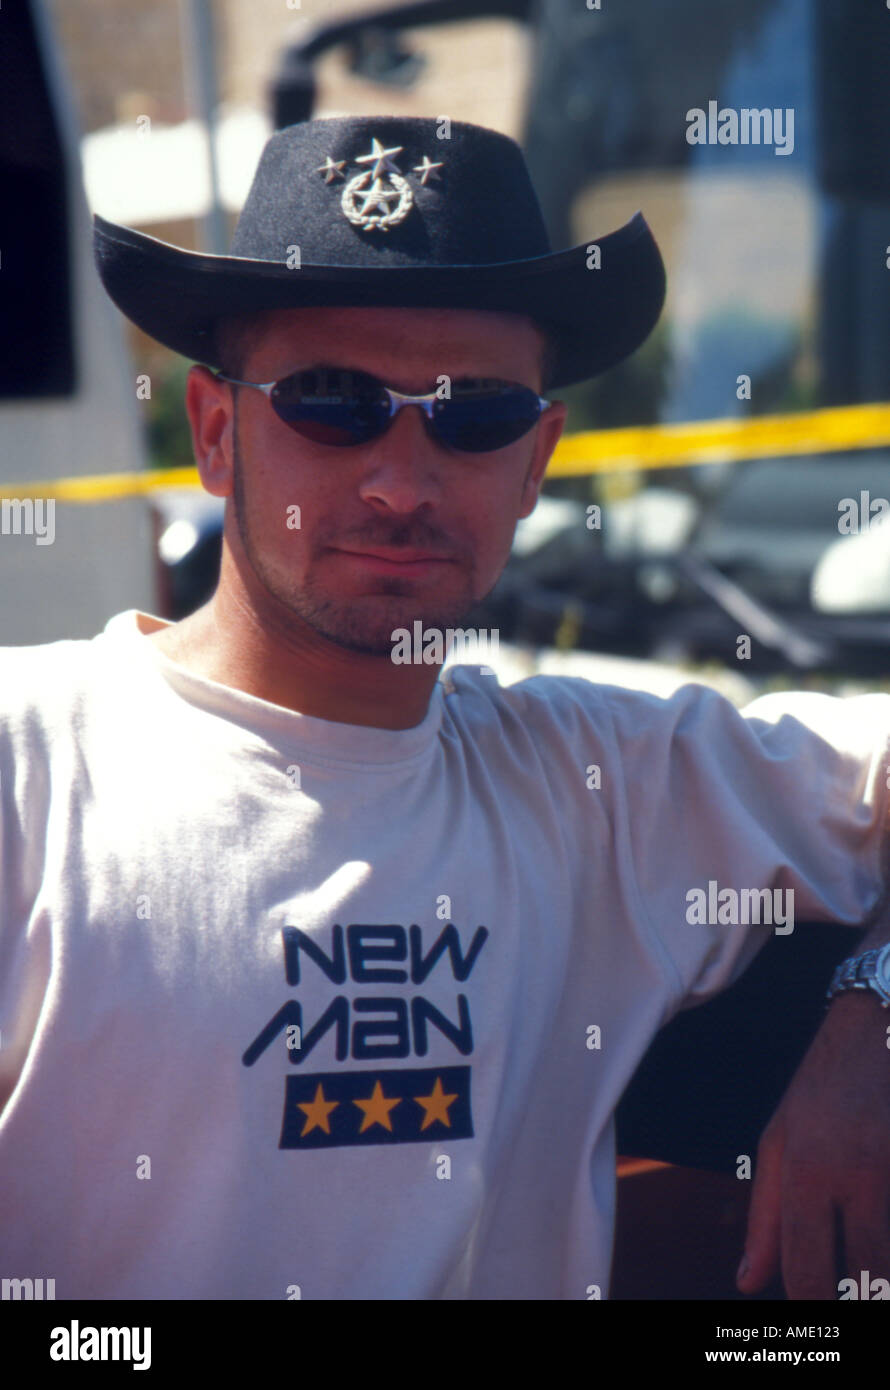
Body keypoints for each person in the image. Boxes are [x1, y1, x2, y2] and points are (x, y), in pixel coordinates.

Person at [1, 115, 888, 1302]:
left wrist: (870, 1016)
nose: (400, 479)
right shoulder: (28, 763)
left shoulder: (600, 782)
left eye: (474, 414)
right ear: (216, 434)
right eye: (329, 400)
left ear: (534, 462)